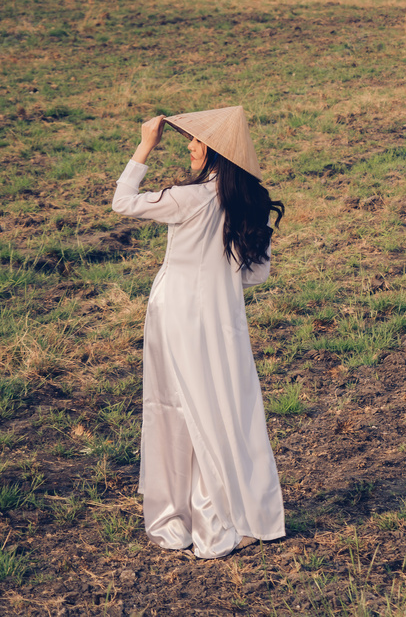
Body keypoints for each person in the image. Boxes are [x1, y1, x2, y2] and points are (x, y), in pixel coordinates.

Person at [111, 106, 285, 559]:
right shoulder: (251, 204)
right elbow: (257, 275)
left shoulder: (188, 198)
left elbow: (122, 201)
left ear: (217, 154)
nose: (190, 146)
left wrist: (146, 145)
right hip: (222, 319)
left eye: (198, 141)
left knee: (175, 408)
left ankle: (185, 517)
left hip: (175, 314)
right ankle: (229, 514)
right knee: (226, 406)